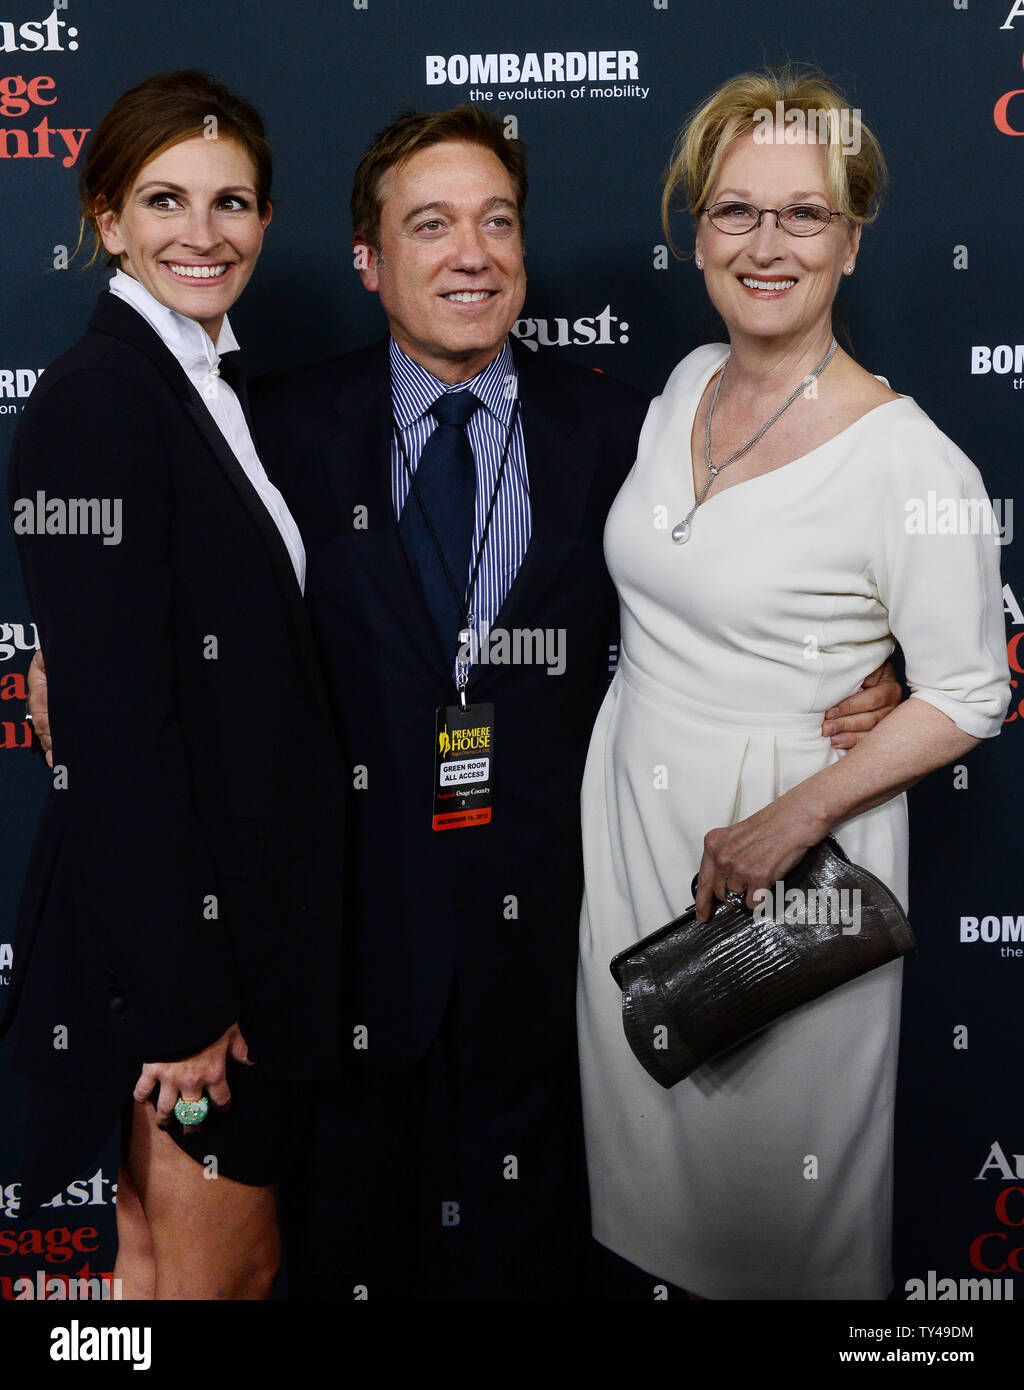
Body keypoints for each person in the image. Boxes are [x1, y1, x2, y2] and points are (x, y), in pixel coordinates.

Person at [24, 103, 898, 1300]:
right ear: (368, 261)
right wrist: (63, 663)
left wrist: (855, 670)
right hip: (325, 967)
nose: (470, 253)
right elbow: (153, 617)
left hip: (543, 959)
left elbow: (742, 581)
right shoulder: (262, 430)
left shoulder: (623, 436)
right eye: (429, 225)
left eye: (496, 223)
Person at [576, 68, 1010, 1300]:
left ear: (852, 239)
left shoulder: (908, 459)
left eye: (802, 215)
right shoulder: (682, 388)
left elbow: (970, 689)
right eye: (734, 211)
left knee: (779, 1228)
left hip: (789, 875)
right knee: (646, 1199)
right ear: (697, 230)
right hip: (635, 840)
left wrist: (794, 813)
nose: (764, 245)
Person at [3, 71, 345, 1300]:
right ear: (106, 218)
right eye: (164, 199)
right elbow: (114, 730)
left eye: (232, 202)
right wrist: (178, 1004)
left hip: (211, 929)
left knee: (147, 1270)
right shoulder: (100, 402)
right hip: (183, 957)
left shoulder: (203, 386)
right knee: (222, 1281)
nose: (202, 234)